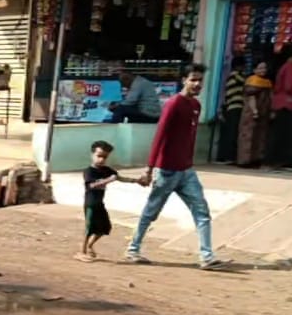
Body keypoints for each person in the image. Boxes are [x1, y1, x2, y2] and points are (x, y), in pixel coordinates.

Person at [125, 63, 231, 271]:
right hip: (167, 170)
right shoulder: (174, 104)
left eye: (200, 80)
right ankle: (133, 249)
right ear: (184, 80)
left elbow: (189, 139)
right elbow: (160, 136)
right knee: (151, 211)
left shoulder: (195, 106)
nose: (197, 84)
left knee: (202, 211)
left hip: (186, 170)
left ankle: (207, 256)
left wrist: (188, 162)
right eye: (193, 79)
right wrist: (149, 168)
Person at [78, 140, 148, 263]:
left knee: (105, 227)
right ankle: (81, 252)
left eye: (104, 157)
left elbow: (120, 178)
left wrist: (137, 181)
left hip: (100, 203)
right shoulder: (89, 171)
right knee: (89, 228)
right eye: (99, 156)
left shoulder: (107, 170)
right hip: (91, 203)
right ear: (92, 155)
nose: (101, 160)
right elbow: (91, 186)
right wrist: (108, 180)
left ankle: (89, 245)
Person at [267, 50, 292, 169]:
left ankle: (271, 161)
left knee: (277, 133)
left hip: (278, 103)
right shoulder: (290, 67)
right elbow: (289, 87)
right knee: (281, 135)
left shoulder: (283, 67)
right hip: (285, 104)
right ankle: (273, 161)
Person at [237, 61, 272, 167]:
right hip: (251, 112)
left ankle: (256, 159)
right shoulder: (252, 81)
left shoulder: (267, 82)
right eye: (260, 68)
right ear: (254, 70)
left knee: (259, 136)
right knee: (248, 135)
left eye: (264, 68)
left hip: (263, 112)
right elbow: (251, 97)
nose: (263, 70)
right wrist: (255, 110)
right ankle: (245, 160)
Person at [217, 56, 247, 162]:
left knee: (231, 132)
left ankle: (227, 157)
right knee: (233, 133)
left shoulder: (231, 76)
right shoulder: (236, 76)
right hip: (236, 107)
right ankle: (230, 157)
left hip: (231, 107)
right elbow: (246, 84)